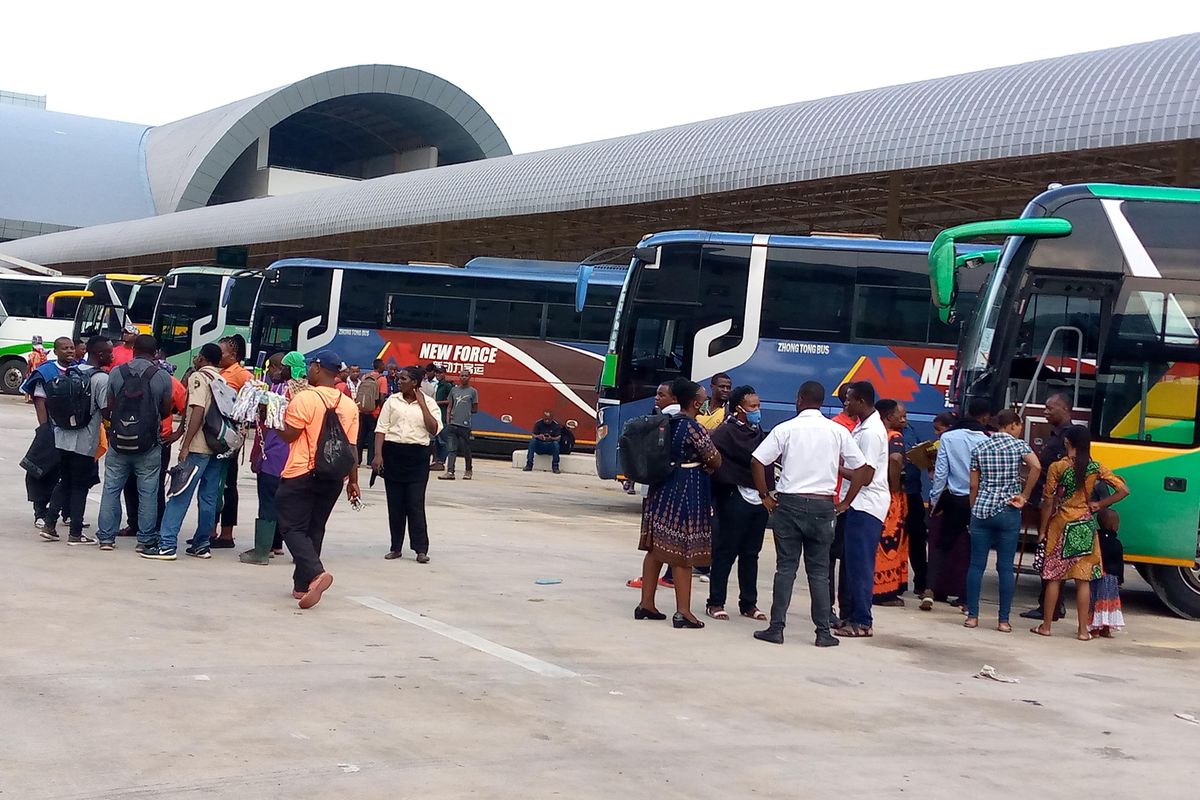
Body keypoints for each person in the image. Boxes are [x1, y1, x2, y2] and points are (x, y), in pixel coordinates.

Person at [750, 381, 868, 647]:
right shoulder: (837, 431)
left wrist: (765, 495)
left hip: (789, 504)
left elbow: (758, 460)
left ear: (800, 399)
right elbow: (861, 468)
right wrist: (846, 502)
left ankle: (776, 627)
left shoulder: (786, 429)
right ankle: (823, 632)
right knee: (819, 573)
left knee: (786, 569)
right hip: (823, 506)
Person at [277, 349, 360, 609]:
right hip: (334, 476)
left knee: (291, 527)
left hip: (301, 472)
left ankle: (316, 573)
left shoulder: (305, 399)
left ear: (316, 368)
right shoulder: (348, 404)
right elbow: (352, 447)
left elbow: (290, 435)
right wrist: (353, 481)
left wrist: (272, 419)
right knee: (315, 527)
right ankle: (302, 586)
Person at [634, 377, 721, 628]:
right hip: (686, 489)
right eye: (703, 399)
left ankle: (646, 604)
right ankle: (683, 611)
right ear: (695, 402)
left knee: (655, 548)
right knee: (682, 552)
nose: (705, 402)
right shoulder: (693, 427)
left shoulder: (666, 422)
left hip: (661, 488)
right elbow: (714, 459)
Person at [1032, 425, 1129, 640]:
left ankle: (1046, 626)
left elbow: (1048, 500)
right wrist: (1100, 504)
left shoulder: (1058, 467)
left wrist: (1042, 530)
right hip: (1085, 524)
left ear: (1067, 442)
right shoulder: (1095, 467)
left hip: (1062, 523)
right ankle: (1083, 631)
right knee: (1083, 580)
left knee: (1054, 577)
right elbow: (1123, 489)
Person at [141, 343, 227, 561]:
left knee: (179, 493)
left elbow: (197, 410)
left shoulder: (199, 377)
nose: (196, 359)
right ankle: (202, 544)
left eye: (198, 356)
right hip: (217, 446)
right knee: (208, 497)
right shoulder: (222, 379)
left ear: (203, 359)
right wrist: (180, 432)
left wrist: (186, 444)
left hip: (198, 447)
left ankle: (167, 545)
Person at [965, 409, 1042, 631]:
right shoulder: (1018, 446)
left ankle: (972, 616)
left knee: (977, 565)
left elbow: (973, 485)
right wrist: (1025, 496)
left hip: (982, 510)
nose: (1020, 431)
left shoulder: (980, 447)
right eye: (1018, 427)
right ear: (1012, 426)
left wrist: (974, 509)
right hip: (1009, 511)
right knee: (1005, 567)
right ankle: (1003, 620)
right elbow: (1036, 466)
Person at [95, 334, 174, 551]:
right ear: (156, 352)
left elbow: (109, 406)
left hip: (119, 441)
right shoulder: (162, 377)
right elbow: (166, 410)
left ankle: (106, 538)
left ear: (133, 349)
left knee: (111, 488)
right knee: (148, 492)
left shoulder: (116, 372)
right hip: (148, 444)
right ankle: (145, 539)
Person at [37, 336, 114, 544]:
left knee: (65, 481)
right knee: (80, 485)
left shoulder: (73, 371)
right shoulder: (101, 379)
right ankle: (76, 533)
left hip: (62, 437)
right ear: (99, 354)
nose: (112, 356)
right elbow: (106, 412)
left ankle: (49, 525)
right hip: (84, 440)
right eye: (109, 352)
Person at [705, 385, 771, 622]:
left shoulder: (758, 431)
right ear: (740, 409)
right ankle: (715, 602)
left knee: (751, 553)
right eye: (753, 406)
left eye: (758, 405)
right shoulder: (725, 433)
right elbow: (717, 464)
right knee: (726, 551)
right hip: (734, 496)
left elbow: (766, 461)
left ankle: (749, 603)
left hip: (758, 499)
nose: (757, 410)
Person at [834, 381, 891, 638]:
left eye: (849, 399)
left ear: (861, 401)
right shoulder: (863, 427)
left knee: (859, 565)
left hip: (865, 505)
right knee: (848, 564)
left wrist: (834, 468)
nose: (846, 404)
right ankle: (848, 615)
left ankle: (862, 621)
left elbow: (865, 475)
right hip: (858, 504)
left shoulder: (870, 432)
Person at [372, 365, 441, 562]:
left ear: (415, 383)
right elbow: (381, 429)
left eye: (403, 379)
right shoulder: (392, 401)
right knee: (395, 504)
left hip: (417, 456)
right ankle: (395, 547)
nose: (398, 381)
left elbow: (434, 429)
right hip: (393, 454)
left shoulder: (429, 403)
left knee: (415, 503)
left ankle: (420, 549)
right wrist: (378, 455)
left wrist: (422, 404)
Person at [929, 397, 992, 610]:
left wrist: (934, 500)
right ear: (985, 418)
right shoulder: (987, 440)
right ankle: (966, 599)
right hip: (978, 501)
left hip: (954, 499)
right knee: (974, 550)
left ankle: (929, 590)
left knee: (941, 546)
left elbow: (940, 474)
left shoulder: (948, 437)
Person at [1020, 392, 1074, 621]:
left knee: (1049, 555)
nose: (1045, 411)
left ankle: (1048, 608)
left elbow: (1059, 476)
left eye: (1050, 407)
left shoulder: (1068, 438)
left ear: (1064, 408)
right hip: (1048, 502)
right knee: (1050, 557)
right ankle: (1054, 605)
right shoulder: (1059, 435)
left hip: (1053, 506)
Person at [626, 381, 679, 589]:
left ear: (674, 398)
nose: (657, 398)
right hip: (673, 484)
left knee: (657, 535)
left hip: (659, 483)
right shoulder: (681, 419)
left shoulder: (664, 419)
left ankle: (651, 581)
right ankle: (669, 575)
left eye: (661, 395)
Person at [241, 353, 292, 565]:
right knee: (282, 501)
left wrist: (255, 458)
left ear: (281, 368)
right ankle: (278, 543)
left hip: (272, 453)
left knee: (267, 500)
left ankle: (264, 548)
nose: (269, 373)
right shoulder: (298, 392)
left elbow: (264, 429)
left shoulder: (275, 395)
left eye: (271, 368)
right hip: (289, 458)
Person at [20, 336, 75, 528]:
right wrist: (45, 429)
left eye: (71, 347)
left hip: (74, 431)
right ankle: (40, 512)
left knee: (70, 472)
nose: (69, 351)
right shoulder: (46, 372)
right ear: (56, 351)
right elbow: (40, 401)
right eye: (65, 348)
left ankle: (68, 513)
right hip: (51, 429)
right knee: (42, 471)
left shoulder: (78, 370)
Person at [211, 334, 251, 549]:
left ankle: (227, 534)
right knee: (212, 485)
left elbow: (250, 406)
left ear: (233, 354)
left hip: (229, 438)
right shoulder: (219, 372)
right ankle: (211, 530)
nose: (218, 356)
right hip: (214, 436)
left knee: (227, 485)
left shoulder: (243, 375)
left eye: (222, 352)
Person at [872, 400, 910, 606]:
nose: (904, 419)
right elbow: (895, 459)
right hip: (890, 498)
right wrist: (894, 485)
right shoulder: (895, 437)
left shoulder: (872, 433)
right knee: (890, 544)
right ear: (888, 417)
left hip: (873, 495)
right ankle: (884, 592)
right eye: (901, 416)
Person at [828, 383, 857, 625]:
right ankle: (828, 609)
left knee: (848, 559)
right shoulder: (836, 426)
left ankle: (847, 609)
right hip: (836, 500)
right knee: (827, 558)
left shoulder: (865, 427)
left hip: (856, 503)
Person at [1090, 508, 1125, 637]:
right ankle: (1106, 629)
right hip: (1110, 579)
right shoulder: (1116, 544)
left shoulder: (1095, 539)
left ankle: (1094, 629)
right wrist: (1120, 580)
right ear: (1112, 526)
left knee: (1095, 602)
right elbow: (1119, 564)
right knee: (1108, 604)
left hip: (1096, 575)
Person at [439, 368, 479, 481]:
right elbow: (449, 406)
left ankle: (468, 470)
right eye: (461, 376)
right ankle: (450, 471)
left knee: (466, 449)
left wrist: (465, 414)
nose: (463, 378)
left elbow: (475, 408)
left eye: (466, 376)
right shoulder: (454, 391)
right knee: (451, 449)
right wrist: (448, 420)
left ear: (469, 377)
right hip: (453, 423)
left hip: (465, 425)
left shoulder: (473, 392)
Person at [354, 358, 389, 479]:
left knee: (361, 435)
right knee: (372, 436)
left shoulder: (365, 377)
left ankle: (357, 460)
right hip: (375, 411)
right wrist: (380, 409)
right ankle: (369, 461)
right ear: (380, 367)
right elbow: (382, 396)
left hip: (363, 410)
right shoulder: (382, 379)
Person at [523, 409, 563, 473]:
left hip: (550, 446)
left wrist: (551, 438)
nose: (547, 421)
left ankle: (555, 467)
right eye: (545, 419)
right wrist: (538, 436)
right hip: (540, 445)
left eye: (549, 419)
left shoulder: (556, 425)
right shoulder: (538, 423)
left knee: (556, 444)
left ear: (552, 419)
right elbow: (533, 435)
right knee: (533, 441)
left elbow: (558, 438)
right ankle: (529, 465)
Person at [431, 364, 451, 469]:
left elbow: (450, 400)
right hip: (436, 416)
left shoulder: (447, 386)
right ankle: (437, 461)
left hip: (443, 416)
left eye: (440, 372)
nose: (438, 374)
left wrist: (437, 402)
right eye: (436, 372)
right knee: (437, 441)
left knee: (443, 441)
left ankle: (441, 462)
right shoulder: (437, 384)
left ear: (444, 373)